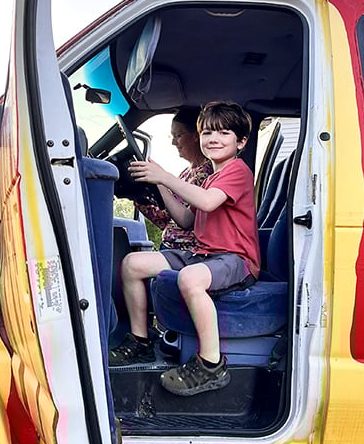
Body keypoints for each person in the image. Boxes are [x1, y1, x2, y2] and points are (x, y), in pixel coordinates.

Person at [109, 101, 260, 396]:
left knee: (190, 278)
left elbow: (206, 202)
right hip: (203, 253)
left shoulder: (237, 171)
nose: (213, 139)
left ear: (241, 142)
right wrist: (159, 184)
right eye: (207, 133)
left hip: (235, 259)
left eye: (224, 133)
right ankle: (140, 341)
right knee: (132, 264)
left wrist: (165, 176)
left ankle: (211, 364)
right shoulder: (212, 176)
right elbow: (187, 219)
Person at [134, 108, 212, 250]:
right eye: (173, 136)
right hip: (170, 247)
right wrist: (140, 199)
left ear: (195, 136)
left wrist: (161, 181)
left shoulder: (207, 173)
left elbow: (186, 221)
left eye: (178, 135)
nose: (173, 143)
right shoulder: (185, 174)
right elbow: (166, 220)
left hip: (186, 251)